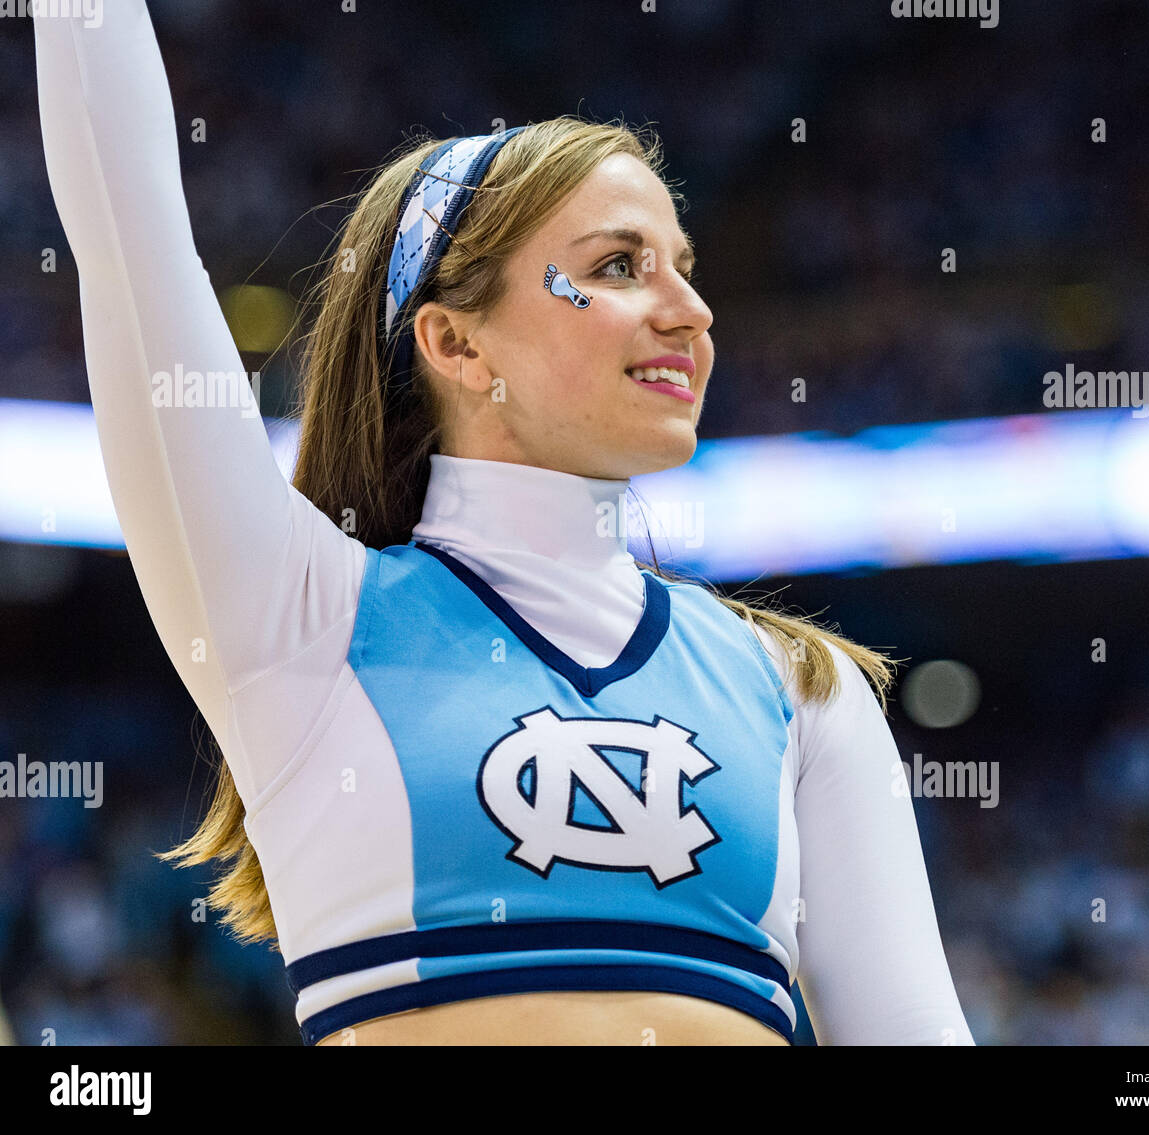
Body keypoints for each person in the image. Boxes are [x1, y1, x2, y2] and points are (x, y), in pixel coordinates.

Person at [33, 0, 974, 1046]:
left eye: (684, 267)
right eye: (621, 266)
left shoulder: (802, 690)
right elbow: (129, 232)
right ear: (457, 343)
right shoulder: (306, 622)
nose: (690, 311)